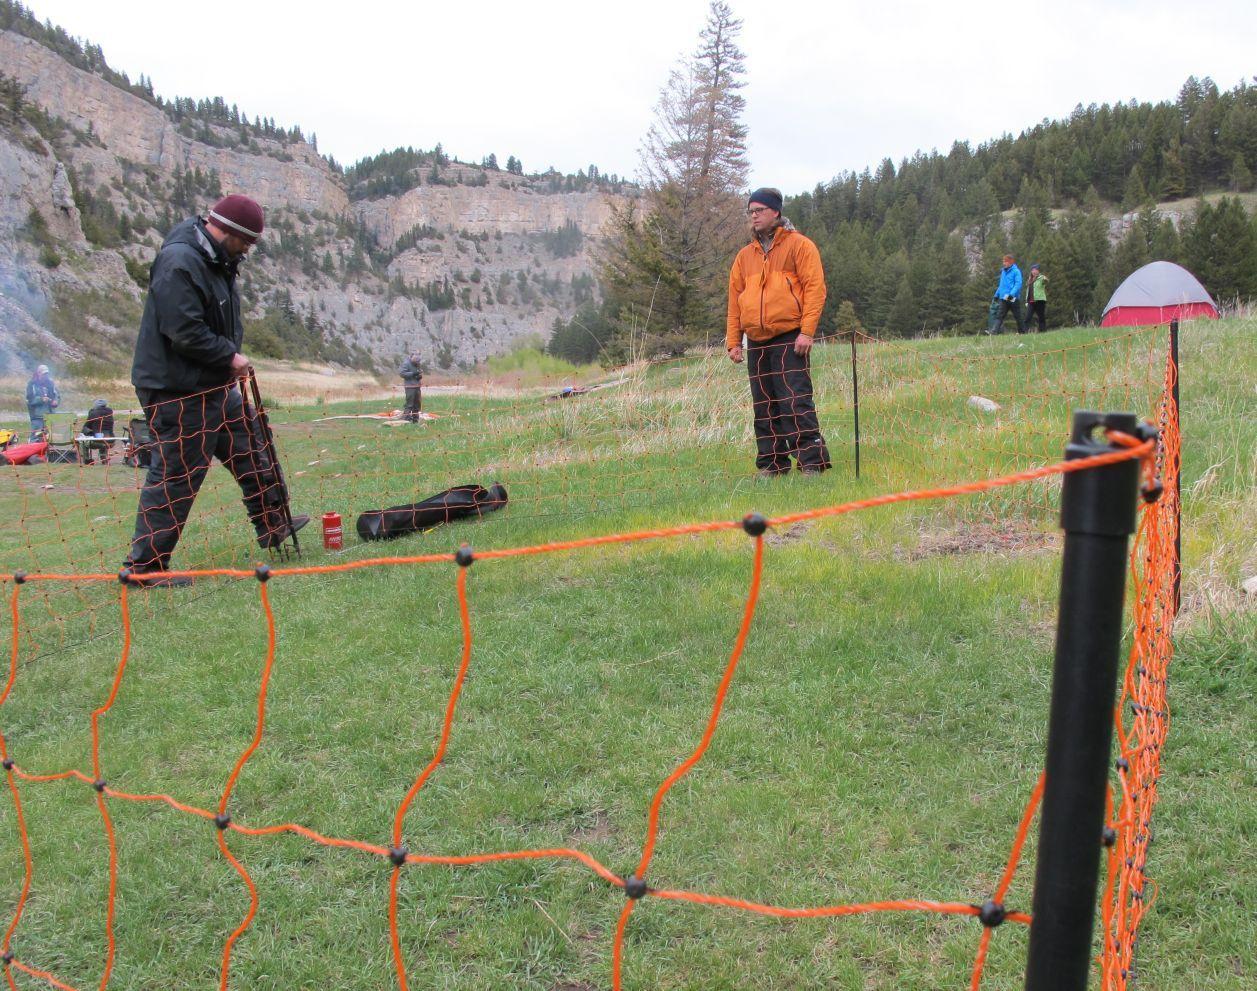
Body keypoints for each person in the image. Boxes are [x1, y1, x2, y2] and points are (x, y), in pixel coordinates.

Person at [123, 194, 308, 588]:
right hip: (177, 389)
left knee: (252, 445)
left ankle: (274, 523)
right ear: (227, 230)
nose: (248, 250)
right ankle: (145, 568)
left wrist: (227, 364)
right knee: (178, 473)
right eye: (247, 242)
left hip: (214, 385)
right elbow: (183, 331)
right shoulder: (180, 262)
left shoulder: (220, 261)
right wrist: (231, 357)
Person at [726, 187, 831, 475]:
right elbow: (735, 300)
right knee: (764, 406)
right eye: (751, 212)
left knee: (795, 401)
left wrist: (807, 331)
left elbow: (815, 290)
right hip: (756, 340)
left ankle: (812, 462)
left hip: (790, 336)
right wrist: (734, 341)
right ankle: (772, 465)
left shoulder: (800, 246)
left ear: (776, 212)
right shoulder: (744, 256)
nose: (754, 216)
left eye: (759, 210)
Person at [989, 254, 1025, 334]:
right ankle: (993, 332)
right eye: (1003, 261)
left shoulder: (1016, 271)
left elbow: (1018, 284)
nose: (1004, 263)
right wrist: (996, 295)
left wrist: (1011, 294)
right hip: (1003, 297)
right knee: (1000, 315)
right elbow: (1001, 285)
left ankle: (1022, 332)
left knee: (1017, 316)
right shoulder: (1003, 272)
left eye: (1005, 261)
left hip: (1012, 297)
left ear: (1010, 262)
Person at [25, 364, 60, 441]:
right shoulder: (32, 384)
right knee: (36, 437)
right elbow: (29, 399)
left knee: (49, 438)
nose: (45, 376)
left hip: (49, 416)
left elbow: (57, 395)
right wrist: (41, 399)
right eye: (44, 374)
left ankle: (47, 453)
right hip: (37, 417)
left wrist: (56, 401)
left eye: (47, 374)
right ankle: (34, 452)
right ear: (38, 373)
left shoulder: (51, 383)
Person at [79, 398, 115, 464]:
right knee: (102, 436)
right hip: (110, 440)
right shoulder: (110, 413)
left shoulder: (93, 413)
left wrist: (87, 431)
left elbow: (86, 426)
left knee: (82, 441)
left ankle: (86, 460)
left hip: (97, 441)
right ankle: (103, 459)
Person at [399, 352, 423, 422]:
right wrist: (413, 374)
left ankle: (415, 419)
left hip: (417, 386)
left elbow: (418, 373)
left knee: (417, 404)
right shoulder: (406, 363)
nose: (417, 363)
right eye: (416, 361)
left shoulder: (418, 364)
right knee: (409, 404)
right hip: (409, 387)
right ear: (411, 358)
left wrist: (419, 376)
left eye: (418, 361)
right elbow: (402, 373)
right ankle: (405, 419)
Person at [1025, 263, 1048, 332]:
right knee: (1028, 317)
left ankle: (1043, 331)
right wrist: (1026, 300)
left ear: (1038, 271)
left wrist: (1045, 279)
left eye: (1036, 270)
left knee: (1041, 317)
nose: (1034, 271)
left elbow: (1045, 282)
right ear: (1031, 271)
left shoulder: (1041, 278)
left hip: (1040, 300)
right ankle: (1024, 331)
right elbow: (1028, 291)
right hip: (1031, 301)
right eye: (1033, 270)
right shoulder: (1030, 280)